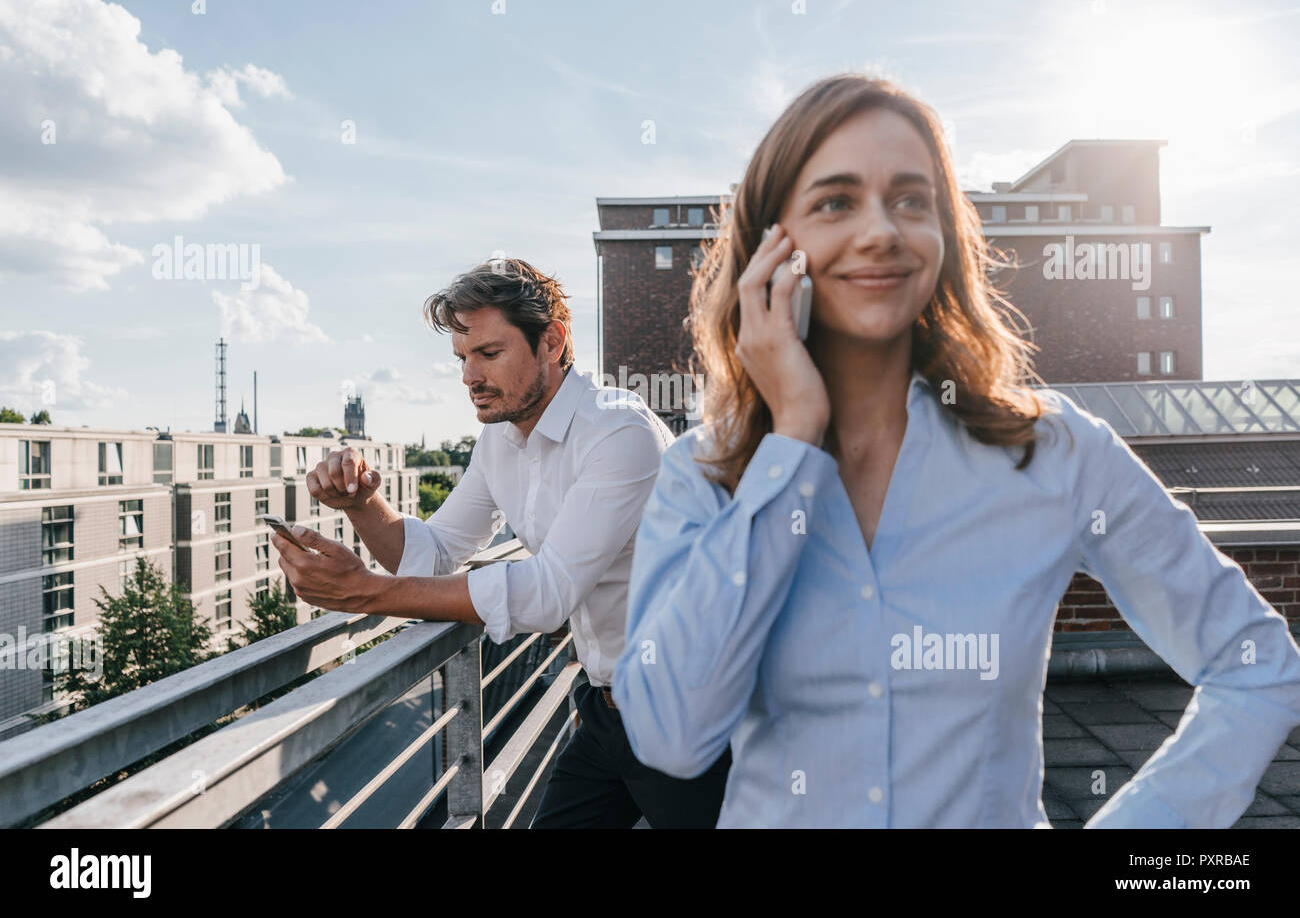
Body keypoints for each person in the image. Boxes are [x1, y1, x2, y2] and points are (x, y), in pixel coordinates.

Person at [611, 73, 1300, 827]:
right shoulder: (704, 475)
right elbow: (670, 737)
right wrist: (793, 439)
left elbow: (1255, 663)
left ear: (945, 236)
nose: (881, 231)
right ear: (771, 246)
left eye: (911, 199)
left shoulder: (1054, 450)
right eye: (836, 201)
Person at [271, 257, 730, 828]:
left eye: (489, 354)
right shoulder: (499, 442)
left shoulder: (617, 431)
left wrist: (367, 594)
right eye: (463, 358)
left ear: (552, 342)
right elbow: (436, 552)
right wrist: (361, 505)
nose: (470, 376)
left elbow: (547, 594)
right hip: (607, 709)